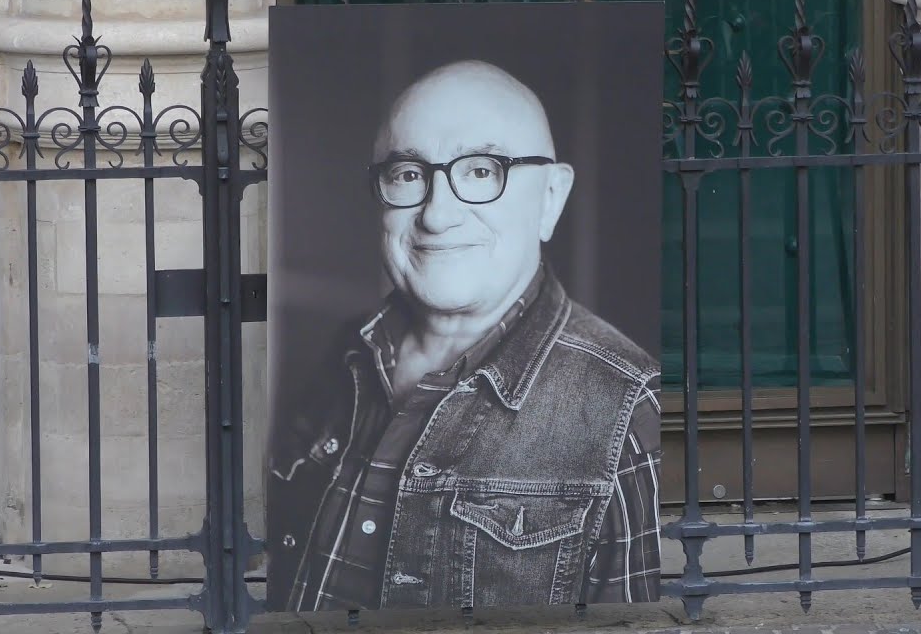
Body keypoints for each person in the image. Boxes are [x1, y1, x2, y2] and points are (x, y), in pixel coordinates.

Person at [268, 59, 662, 612]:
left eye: (481, 171)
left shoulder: (627, 409)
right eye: (408, 174)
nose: (437, 214)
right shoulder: (347, 353)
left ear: (551, 197)